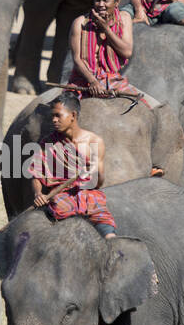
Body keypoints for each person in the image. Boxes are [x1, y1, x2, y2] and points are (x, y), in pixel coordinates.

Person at [28, 93, 117, 238]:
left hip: (89, 196)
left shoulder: (94, 141)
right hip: (60, 196)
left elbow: (99, 183)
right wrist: (39, 194)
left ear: (73, 116)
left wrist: (94, 174)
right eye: (52, 116)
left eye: (58, 115)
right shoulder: (47, 143)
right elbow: (36, 174)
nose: (54, 120)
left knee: (109, 235)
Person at [67, 0, 137, 99]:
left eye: (105, 0)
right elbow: (77, 60)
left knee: (141, 105)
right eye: (97, 0)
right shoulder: (80, 23)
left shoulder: (124, 19)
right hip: (83, 80)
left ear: (117, 2)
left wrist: (106, 29)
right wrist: (93, 81)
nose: (101, 4)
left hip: (113, 80)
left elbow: (126, 52)